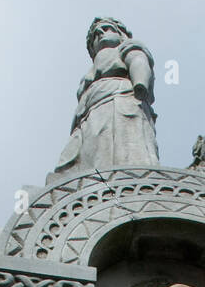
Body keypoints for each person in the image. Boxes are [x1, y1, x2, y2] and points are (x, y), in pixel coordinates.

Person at [52, 17, 159, 177]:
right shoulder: (89, 73)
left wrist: (140, 83)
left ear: (121, 34)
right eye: (95, 35)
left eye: (106, 29)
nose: (100, 34)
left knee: (124, 152)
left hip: (120, 102)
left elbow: (138, 61)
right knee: (91, 155)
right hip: (89, 117)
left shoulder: (125, 47)